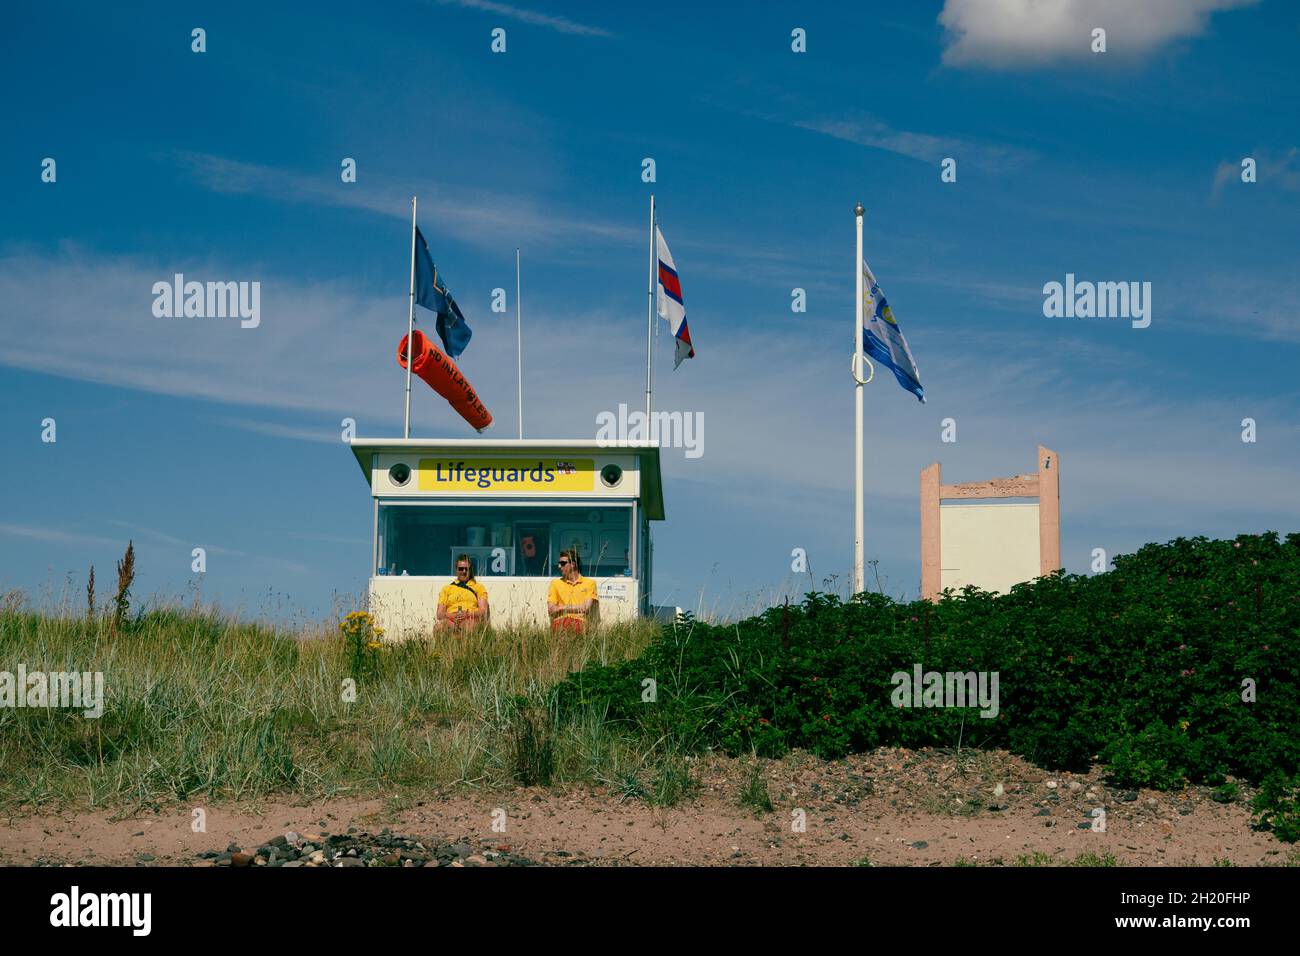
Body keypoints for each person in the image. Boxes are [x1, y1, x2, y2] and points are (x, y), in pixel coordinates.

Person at [547, 548, 597, 634]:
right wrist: (577, 608)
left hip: (579, 622)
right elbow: (551, 610)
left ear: (573, 564)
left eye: (562, 563)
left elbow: (586, 608)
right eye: (559, 563)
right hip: (560, 622)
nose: (559, 566)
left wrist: (561, 607)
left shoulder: (589, 583)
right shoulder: (555, 584)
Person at [436, 554, 489, 632]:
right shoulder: (447, 588)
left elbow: (483, 611)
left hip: (469, 619)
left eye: (466, 569)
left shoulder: (478, 587)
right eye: (461, 569)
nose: (464, 571)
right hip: (451, 620)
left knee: (469, 626)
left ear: (470, 570)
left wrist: (467, 614)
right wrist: (452, 616)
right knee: (438, 627)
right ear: (456, 570)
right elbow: (439, 614)